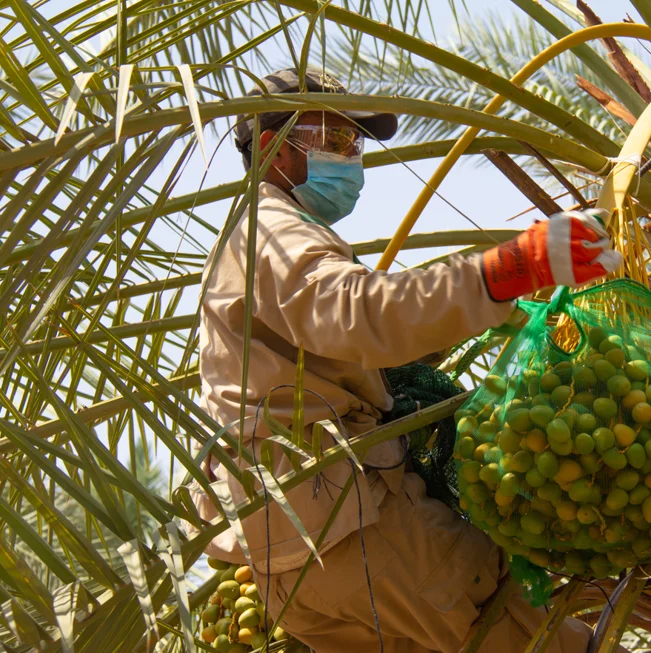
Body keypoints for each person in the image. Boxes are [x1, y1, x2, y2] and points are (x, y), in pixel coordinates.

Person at [189, 68, 622, 653]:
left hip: (288, 558)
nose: (352, 159)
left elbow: (358, 343)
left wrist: (486, 308)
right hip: (351, 525)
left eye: (355, 144)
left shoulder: (247, 246)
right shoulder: (270, 231)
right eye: (335, 139)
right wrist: (507, 271)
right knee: (541, 638)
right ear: (273, 151)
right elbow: (359, 313)